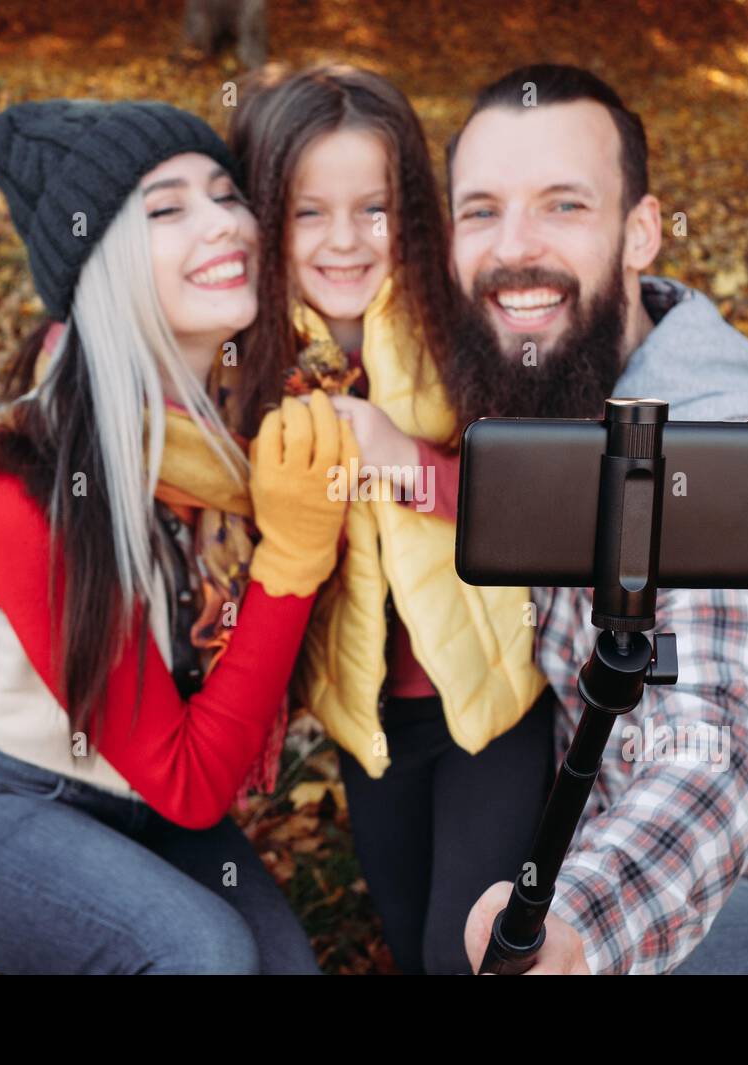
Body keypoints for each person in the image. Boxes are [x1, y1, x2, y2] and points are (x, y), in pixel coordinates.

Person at [442, 65, 748, 974]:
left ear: (641, 231)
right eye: (479, 210)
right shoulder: (554, 385)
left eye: (563, 205)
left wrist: (578, 926)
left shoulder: (719, 457)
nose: (514, 247)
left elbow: (707, 742)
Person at [0, 99, 354, 974]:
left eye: (226, 194)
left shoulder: (258, 420)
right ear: (98, 265)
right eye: (166, 209)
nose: (225, 224)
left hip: (144, 805)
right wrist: (291, 562)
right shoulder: (22, 488)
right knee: (204, 955)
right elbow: (187, 783)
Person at [226, 64, 557, 975]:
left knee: (470, 952)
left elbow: (545, 493)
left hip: (491, 697)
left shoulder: (459, 320)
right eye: (307, 212)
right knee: (410, 936)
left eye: (372, 209)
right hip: (366, 711)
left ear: (410, 208)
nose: (344, 241)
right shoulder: (249, 349)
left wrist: (407, 463)